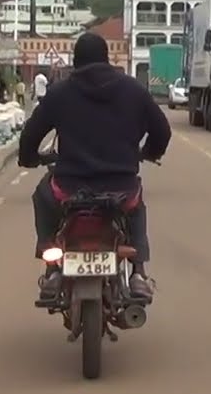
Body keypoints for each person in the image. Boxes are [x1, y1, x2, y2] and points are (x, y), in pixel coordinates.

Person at [19, 32, 171, 303]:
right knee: (136, 208)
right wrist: (149, 152)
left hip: (70, 188)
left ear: (76, 60)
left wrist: (28, 158)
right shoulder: (134, 90)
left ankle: (52, 268)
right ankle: (138, 272)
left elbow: (32, 132)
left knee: (42, 196)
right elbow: (162, 130)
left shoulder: (60, 92)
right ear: (107, 58)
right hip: (120, 188)